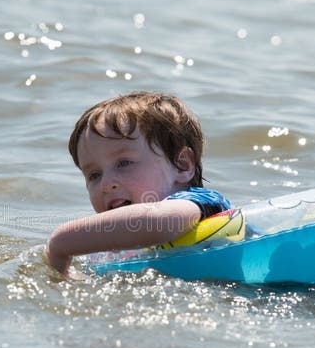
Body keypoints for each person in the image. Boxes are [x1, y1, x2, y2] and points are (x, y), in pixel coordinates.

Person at [45, 91, 230, 275]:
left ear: (182, 165)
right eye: (94, 175)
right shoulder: (114, 249)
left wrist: (62, 241)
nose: (106, 184)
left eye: (124, 163)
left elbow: (158, 220)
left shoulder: (200, 202)